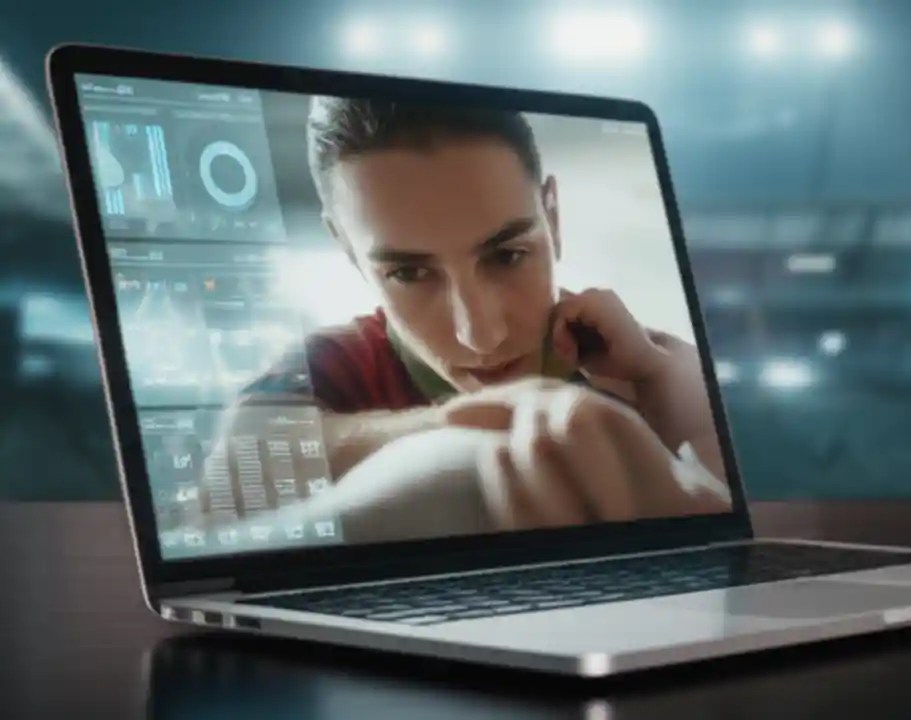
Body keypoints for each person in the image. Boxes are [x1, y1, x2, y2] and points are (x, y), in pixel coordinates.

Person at [205, 98, 730, 543]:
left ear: (552, 216)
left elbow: (727, 538)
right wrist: (501, 420)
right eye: (410, 273)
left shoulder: (646, 365)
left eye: (507, 256)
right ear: (347, 253)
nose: (480, 335)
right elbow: (227, 475)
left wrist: (661, 385)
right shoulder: (333, 365)